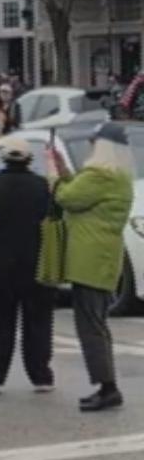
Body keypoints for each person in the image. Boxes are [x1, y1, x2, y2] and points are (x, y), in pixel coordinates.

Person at [52, 124, 136, 412]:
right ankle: (106, 385)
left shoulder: (100, 175)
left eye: (94, 142)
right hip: (102, 259)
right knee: (97, 324)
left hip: (89, 261)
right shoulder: (118, 176)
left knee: (90, 326)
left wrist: (55, 178)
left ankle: (108, 388)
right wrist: (65, 172)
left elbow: (68, 198)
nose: (90, 147)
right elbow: (80, 192)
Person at [0, 147, 54, 395]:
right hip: (36, 262)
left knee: (1, 321)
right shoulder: (41, 186)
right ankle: (41, 376)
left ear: (4, 160)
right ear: (29, 161)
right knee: (38, 322)